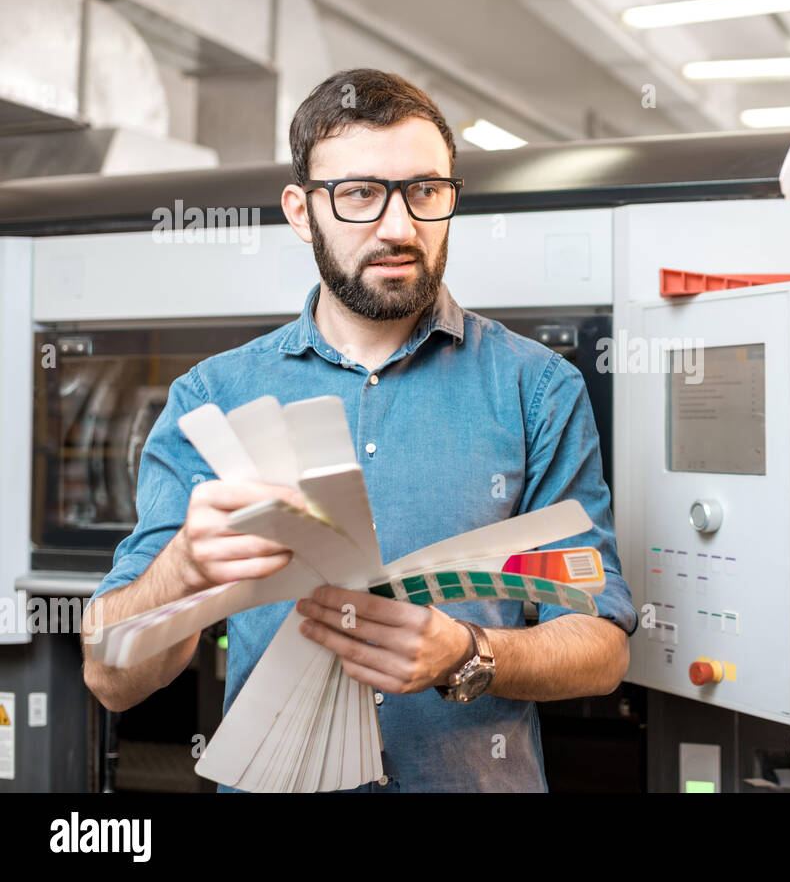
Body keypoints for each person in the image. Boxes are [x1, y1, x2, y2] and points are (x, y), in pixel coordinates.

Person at [81, 68, 637, 792]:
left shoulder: (537, 389)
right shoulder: (214, 397)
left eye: (425, 192)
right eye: (360, 194)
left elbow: (600, 643)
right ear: (301, 210)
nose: (399, 227)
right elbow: (110, 677)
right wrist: (184, 569)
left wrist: (469, 653)